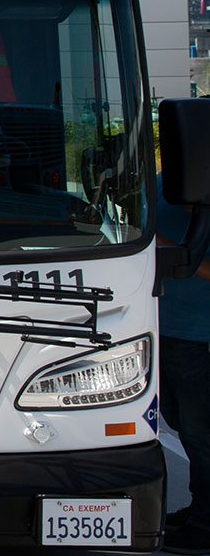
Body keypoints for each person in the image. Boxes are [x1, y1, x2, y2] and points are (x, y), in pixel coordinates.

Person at [157, 172, 210, 554]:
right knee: (178, 424)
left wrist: (168, 249)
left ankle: (206, 524)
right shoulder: (162, 181)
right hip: (161, 329)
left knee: (201, 434)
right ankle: (199, 508)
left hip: (200, 335)